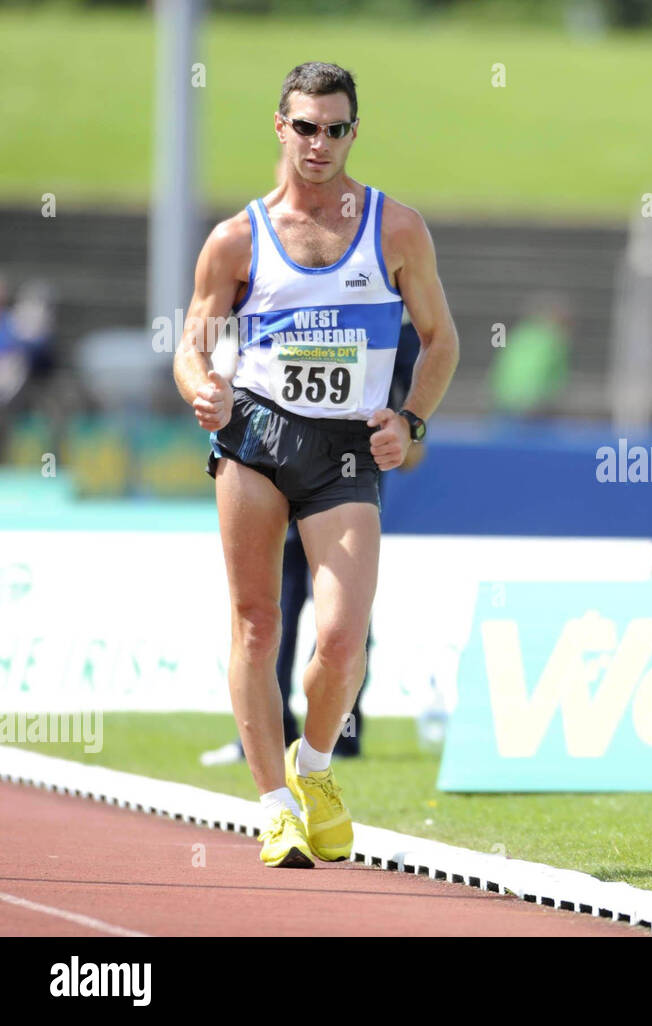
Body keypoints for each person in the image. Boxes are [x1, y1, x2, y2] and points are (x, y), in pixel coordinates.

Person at [173, 62, 459, 868]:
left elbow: (441, 341)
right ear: (280, 127)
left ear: (353, 133)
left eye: (335, 129)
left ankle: (318, 765)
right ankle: (274, 809)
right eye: (305, 126)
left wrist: (411, 420)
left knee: (339, 638)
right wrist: (202, 390)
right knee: (258, 623)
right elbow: (193, 345)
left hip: (344, 451)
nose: (319, 143)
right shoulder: (238, 239)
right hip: (257, 437)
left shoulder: (396, 229)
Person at [198, 314, 424, 767]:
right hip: (279, 470)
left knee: (343, 618)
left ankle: (340, 735)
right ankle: (268, 735)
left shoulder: (396, 332)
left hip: (344, 480)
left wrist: (407, 431)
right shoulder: (279, 307)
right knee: (267, 613)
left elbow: (410, 438)